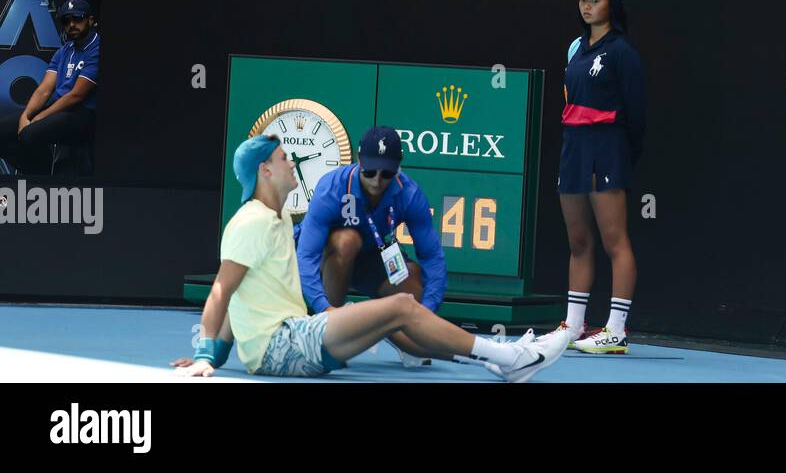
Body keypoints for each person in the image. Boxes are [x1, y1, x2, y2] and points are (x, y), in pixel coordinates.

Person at [170, 134, 568, 380]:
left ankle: (496, 361)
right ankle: (509, 356)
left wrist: (218, 354)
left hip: (294, 339)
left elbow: (240, 298)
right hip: (287, 343)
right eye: (283, 158)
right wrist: (206, 355)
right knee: (401, 307)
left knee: (403, 318)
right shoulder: (253, 221)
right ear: (265, 171)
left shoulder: (276, 219)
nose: (292, 162)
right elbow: (222, 292)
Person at [538, 0, 645, 355]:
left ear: (611, 5)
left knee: (615, 240)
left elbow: (636, 114)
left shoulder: (622, 52)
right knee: (578, 241)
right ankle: (573, 325)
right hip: (574, 149)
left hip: (607, 148)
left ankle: (615, 331)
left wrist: (621, 156)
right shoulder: (575, 48)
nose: (586, 5)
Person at [294, 126, 447, 366]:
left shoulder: (410, 193)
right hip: (329, 259)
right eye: (370, 171)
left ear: (399, 165)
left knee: (412, 279)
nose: (377, 181)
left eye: (386, 173)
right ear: (358, 160)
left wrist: (425, 313)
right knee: (346, 241)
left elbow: (432, 257)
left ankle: (381, 323)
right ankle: (326, 331)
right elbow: (306, 255)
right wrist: (323, 308)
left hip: (373, 256)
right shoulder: (332, 187)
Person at [0, 0, 98, 177]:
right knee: (4, 130)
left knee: (30, 133)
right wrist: (25, 116)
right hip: (59, 109)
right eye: (66, 21)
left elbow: (76, 96)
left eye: (77, 18)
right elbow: (44, 90)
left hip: (83, 114)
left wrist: (39, 118)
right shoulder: (64, 51)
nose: (71, 25)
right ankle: (40, 174)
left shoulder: (97, 49)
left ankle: (45, 179)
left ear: (90, 20)